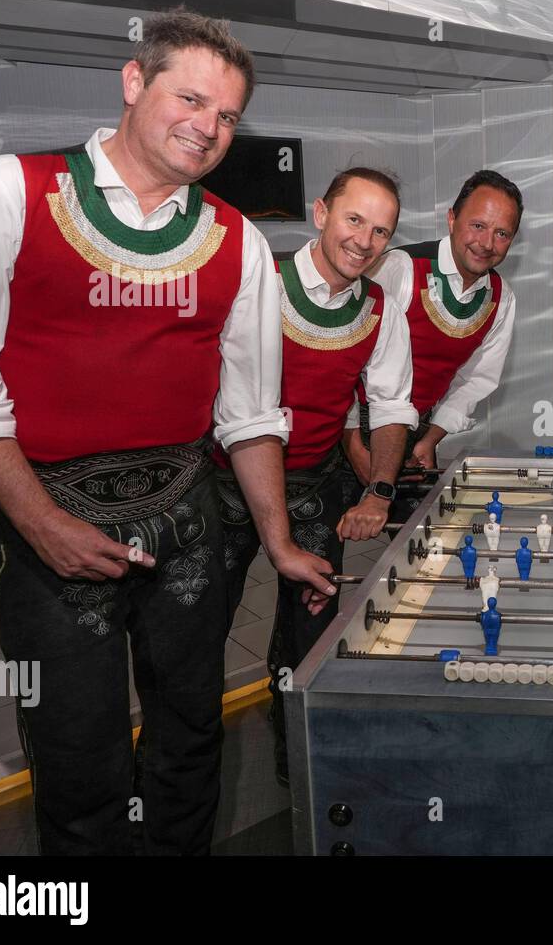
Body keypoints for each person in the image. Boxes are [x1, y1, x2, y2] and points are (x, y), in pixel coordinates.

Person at [0, 8, 334, 854]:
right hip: (46, 515)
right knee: (80, 756)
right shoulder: (3, 192)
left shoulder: (239, 244)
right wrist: (45, 528)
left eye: (227, 116)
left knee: (191, 738)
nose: (209, 128)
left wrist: (278, 539)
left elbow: (251, 416)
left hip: (186, 514)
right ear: (133, 82)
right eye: (191, 99)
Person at [216, 168, 417, 786]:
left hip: (312, 484)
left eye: (381, 231)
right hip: (223, 486)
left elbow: (388, 406)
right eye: (354, 219)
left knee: (311, 640)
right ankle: (179, 794)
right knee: (198, 639)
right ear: (321, 212)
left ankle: (298, 772)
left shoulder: (381, 308)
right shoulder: (257, 283)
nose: (365, 240)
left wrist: (380, 489)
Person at [369, 170, 520, 475]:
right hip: (355, 433)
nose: (487, 243)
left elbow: (475, 381)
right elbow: (347, 358)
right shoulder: (400, 268)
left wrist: (430, 439)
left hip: (418, 437)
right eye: (478, 226)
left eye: (502, 233)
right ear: (452, 220)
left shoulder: (502, 299)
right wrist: (354, 446)